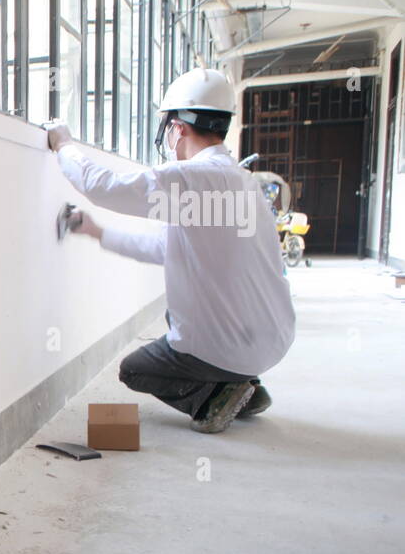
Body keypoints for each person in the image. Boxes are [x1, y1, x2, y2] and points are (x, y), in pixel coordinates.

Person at [43, 68, 295, 434]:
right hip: (273, 339)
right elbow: (165, 249)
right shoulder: (241, 182)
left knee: (135, 369)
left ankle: (213, 399)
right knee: (176, 319)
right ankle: (246, 389)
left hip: (234, 345)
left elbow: (103, 185)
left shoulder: (194, 178)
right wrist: (97, 232)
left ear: (178, 128)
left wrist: (63, 143)